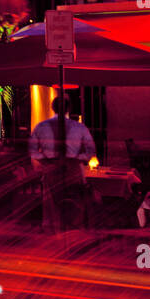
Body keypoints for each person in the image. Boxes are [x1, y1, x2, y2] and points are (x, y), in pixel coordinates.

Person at [30, 96, 96, 233]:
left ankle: (55, 235)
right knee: (74, 205)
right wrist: (76, 159)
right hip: (73, 171)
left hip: (51, 170)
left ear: (52, 108)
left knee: (53, 207)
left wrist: (47, 161)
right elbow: (90, 151)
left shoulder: (41, 127)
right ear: (68, 109)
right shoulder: (79, 127)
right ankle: (73, 233)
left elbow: (33, 152)